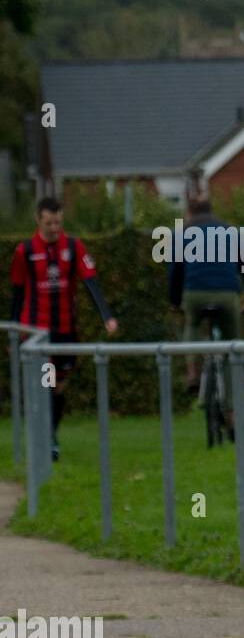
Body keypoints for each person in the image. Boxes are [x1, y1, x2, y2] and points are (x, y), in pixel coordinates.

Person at [10, 196, 119, 461]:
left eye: (58, 222)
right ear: (39, 220)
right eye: (49, 223)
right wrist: (14, 331)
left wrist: (106, 315)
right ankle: (48, 440)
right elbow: (17, 292)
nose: (55, 228)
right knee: (47, 383)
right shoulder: (24, 251)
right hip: (38, 333)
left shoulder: (74, 247)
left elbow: (90, 281)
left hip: (65, 329)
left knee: (58, 387)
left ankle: (50, 434)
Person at [168, 198, 244, 437]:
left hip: (194, 294)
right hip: (227, 295)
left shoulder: (183, 233)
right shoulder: (230, 231)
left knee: (192, 322)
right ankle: (231, 414)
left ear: (189, 213)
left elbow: (175, 273)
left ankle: (192, 369)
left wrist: (174, 302)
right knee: (231, 350)